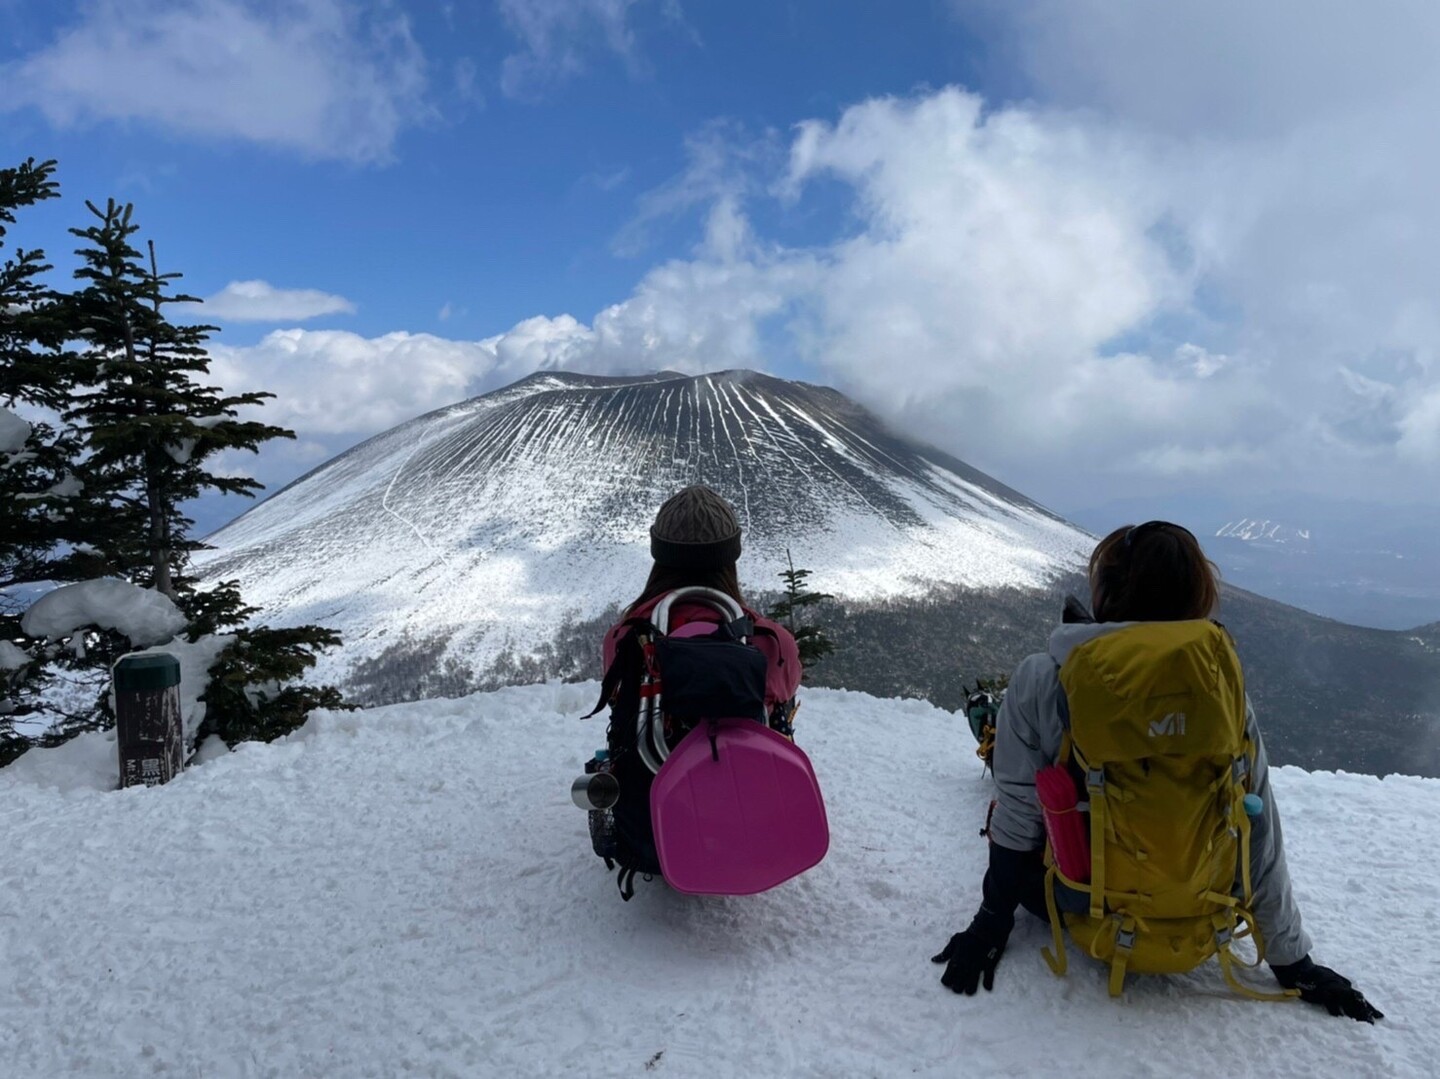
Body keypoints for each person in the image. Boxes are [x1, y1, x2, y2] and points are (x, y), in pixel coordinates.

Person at [932, 521, 1383, 1022]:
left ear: (1107, 591)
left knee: (1017, 777)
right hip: (1202, 926)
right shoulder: (1222, 691)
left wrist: (990, 926)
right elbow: (1258, 832)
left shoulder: (1045, 676)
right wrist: (1294, 961)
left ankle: (989, 722)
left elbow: (1019, 815)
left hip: (1083, 913)